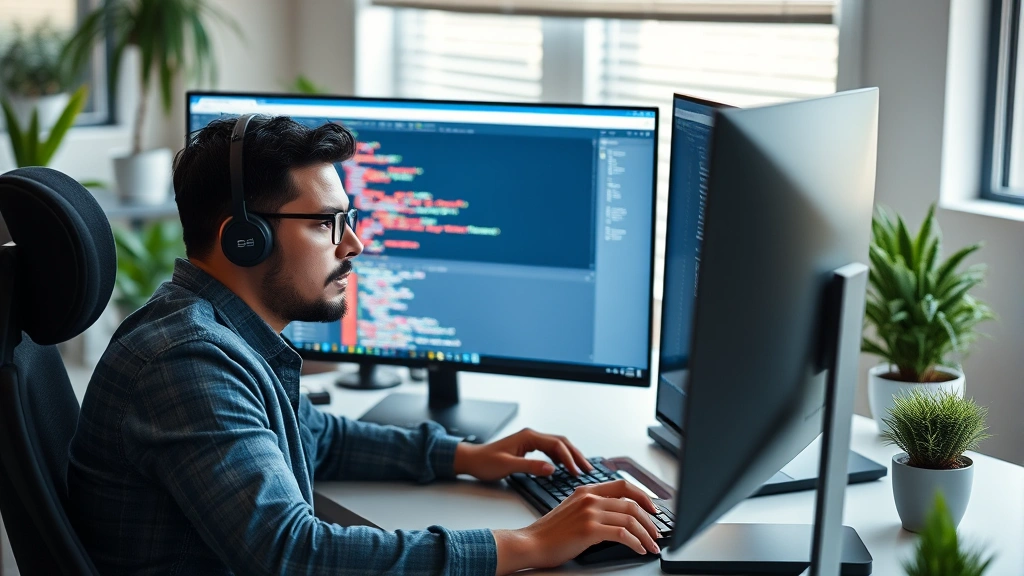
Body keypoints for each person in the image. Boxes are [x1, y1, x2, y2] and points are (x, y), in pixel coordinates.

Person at [68, 116, 661, 576]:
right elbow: (290, 553)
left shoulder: (222, 335)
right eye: (326, 223)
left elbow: (311, 434)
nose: (353, 244)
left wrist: (462, 457)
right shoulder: (187, 361)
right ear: (244, 239)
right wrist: (530, 542)